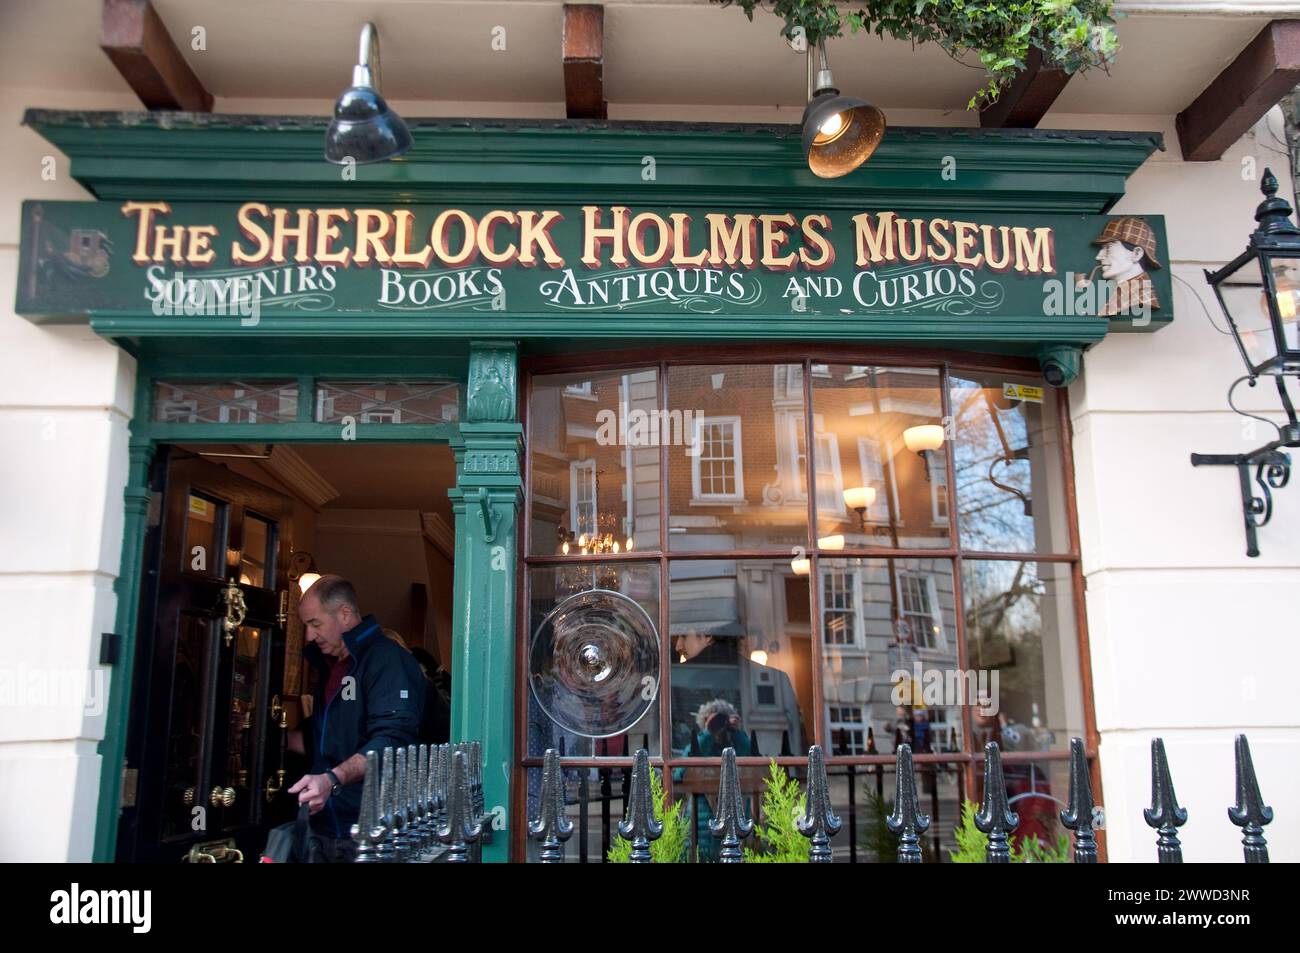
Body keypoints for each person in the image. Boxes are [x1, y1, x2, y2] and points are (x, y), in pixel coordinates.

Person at [286, 575, 426, 862]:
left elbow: (393, 740)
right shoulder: (330, 665)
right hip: (325, 827)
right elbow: (329, 740)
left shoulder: (387, 660)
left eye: (315, 624)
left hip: (373, 833)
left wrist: (332, 780)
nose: (310, 636)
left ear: (345, 614)